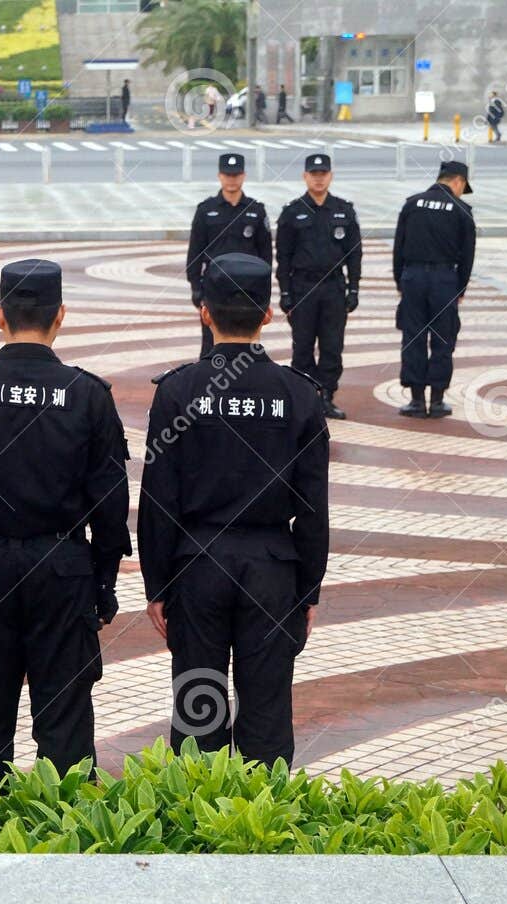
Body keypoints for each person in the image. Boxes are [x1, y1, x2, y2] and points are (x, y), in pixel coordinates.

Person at [0, 259, 131, 780]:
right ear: (60, 316)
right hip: (63, 569)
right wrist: (102, 584)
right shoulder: (87, 395)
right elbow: (110, 507)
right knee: (66, 726)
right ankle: (66, 845)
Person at [138, 254, 330, 767]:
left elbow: (158, 499)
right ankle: (258, 828)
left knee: (198, 707)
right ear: (269, 314)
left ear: (205, 312)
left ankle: (199, 823)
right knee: (267, 708)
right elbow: (313, 508)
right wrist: (308, 589)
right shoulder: (300, 395)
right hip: (272, 570)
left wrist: (158, 587)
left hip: (197, 566)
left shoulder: (178, 391)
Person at [276, 152, 361, 420]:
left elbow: (354, 254)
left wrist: (354, 288)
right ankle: (303, 398)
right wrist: (285, 292)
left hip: (334, 288)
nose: (319, 179)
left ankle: (326, 397)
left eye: (323, 174)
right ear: (305, 177)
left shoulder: (344, 210)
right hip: (303, 288)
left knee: (332, 346)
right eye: (314, 174)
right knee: (302, 347)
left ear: (330, 176)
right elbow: (284, 257)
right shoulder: (292, 212)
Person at [392, 160, 476, 418]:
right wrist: (459, 288)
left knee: (413, 337)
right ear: (458, 181)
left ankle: (416, 401)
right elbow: (467, 256)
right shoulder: (462, 210)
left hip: (413, 278)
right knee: (442, 339)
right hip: (444, 280)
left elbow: (398, 247)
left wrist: (400, 281)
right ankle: (437, 401)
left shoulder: (412, 204)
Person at [186, 152, 272, 358]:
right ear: (219, 176)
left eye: (236, 175)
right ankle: (208, 388)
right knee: (211, 344)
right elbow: (195, 253)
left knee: (248, 344)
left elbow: (265, 255)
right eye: (227, 175)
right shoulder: (206, 211)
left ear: (243, 176)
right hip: (215, 288)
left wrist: (264, 291)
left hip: (248, 289)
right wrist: (196, 289)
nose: (231, 179)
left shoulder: (256, 210)